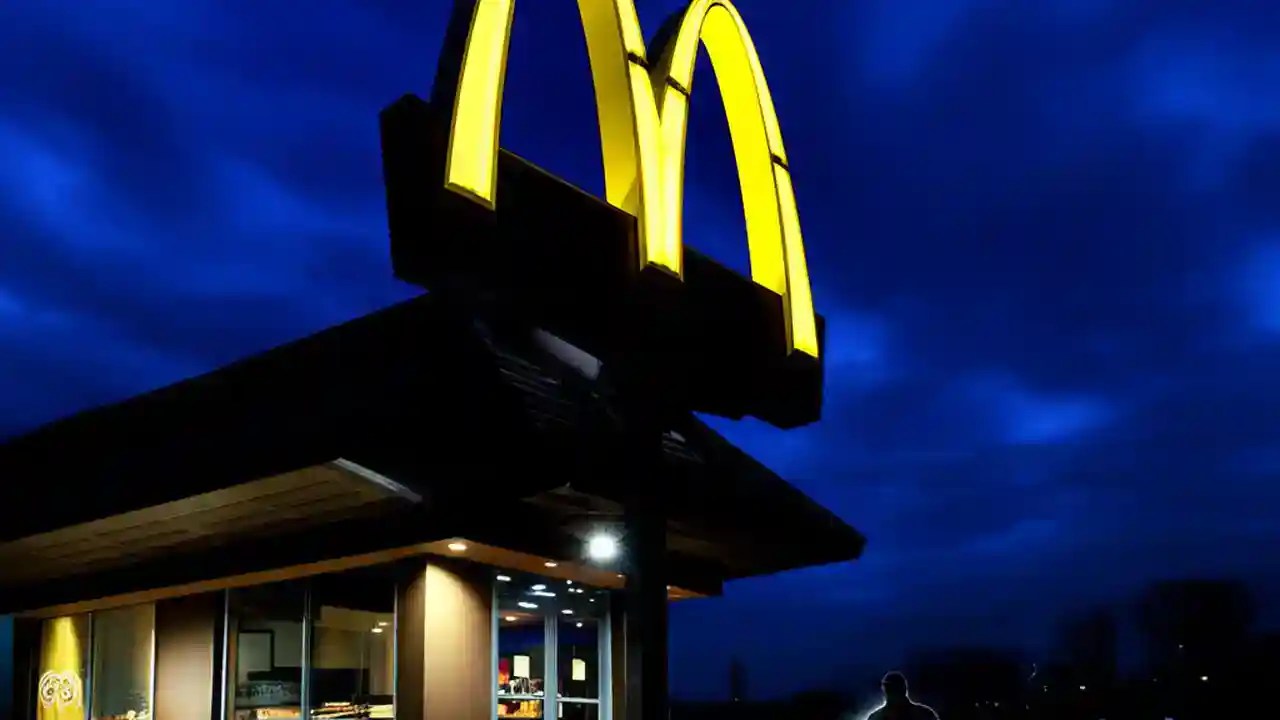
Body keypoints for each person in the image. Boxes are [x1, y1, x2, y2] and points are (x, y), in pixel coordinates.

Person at [867, 671, 938, 720]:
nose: (893, 692)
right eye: (890, 688)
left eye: (895, 688)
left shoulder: (923, 714)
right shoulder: (924, 714)